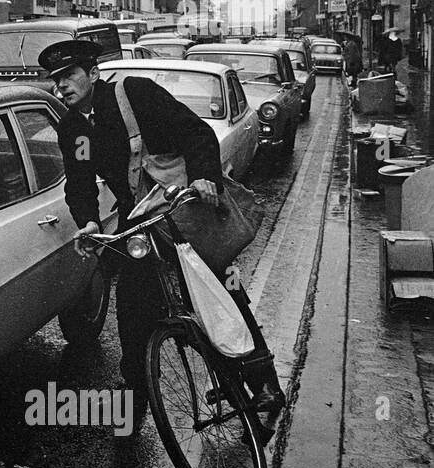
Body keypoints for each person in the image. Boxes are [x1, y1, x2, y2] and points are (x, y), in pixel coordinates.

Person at [39, 39, 285, 416]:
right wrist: (88, 221)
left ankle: (262, 380)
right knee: (134, 309)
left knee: (218, 288)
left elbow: (196, 133)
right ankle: (137, 392)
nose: (62, 86)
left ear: (92, 73)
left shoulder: (135, 94)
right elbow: (81, 180)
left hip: (184, 206)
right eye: (56, 80)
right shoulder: (76, 129)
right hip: (139, 219)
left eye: (69, 76)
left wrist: (206, 179)